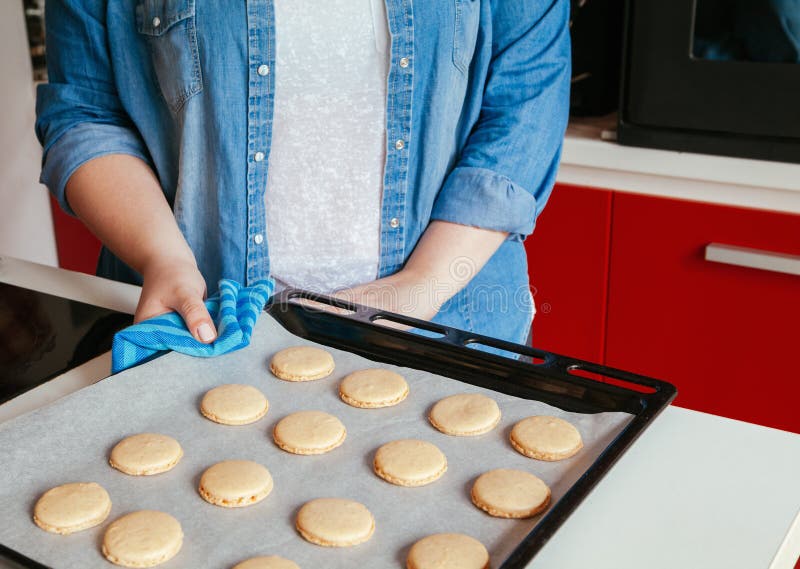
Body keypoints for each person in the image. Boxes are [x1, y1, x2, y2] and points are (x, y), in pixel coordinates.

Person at [36, 0, 570, 349]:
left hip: (447, 323)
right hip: (197, 326)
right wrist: (163, 257)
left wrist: (420, 287)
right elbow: (86, 115)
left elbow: (524, 105)